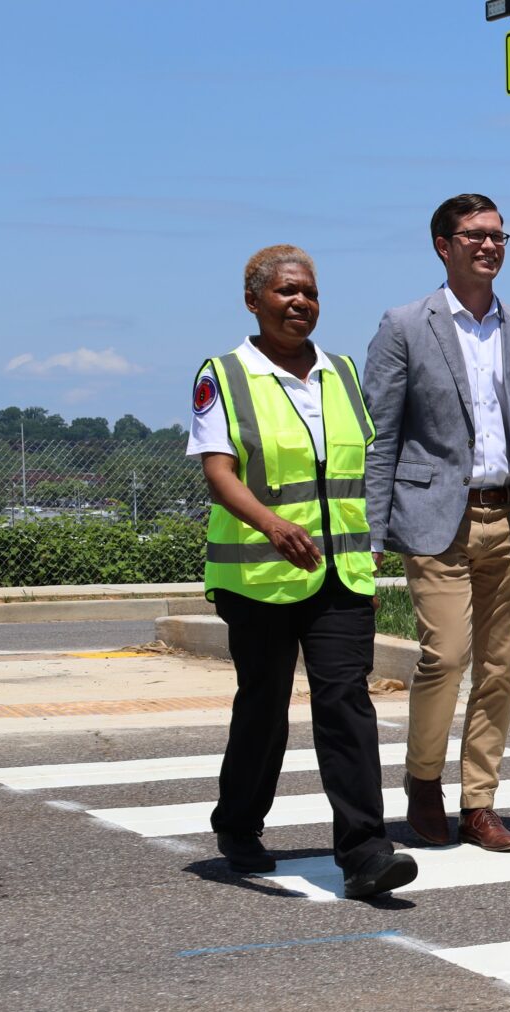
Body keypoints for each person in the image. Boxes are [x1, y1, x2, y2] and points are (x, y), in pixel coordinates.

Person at [363, 193, 510, 853]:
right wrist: (370, 531)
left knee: (498, 667)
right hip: (435, 516)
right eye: (476, 236)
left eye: (499, 236)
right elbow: (380, 435)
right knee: (446, 656)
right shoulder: (406, 325)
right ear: (443, 244)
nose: (490, 246)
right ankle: (420, 780)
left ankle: (479, 801)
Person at [190, 245, 417, 901]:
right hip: (259, 575)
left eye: (310, 293)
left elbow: (364, 470)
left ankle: (367, 851)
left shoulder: (341, 373)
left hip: (340, 575)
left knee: (346, 703)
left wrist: (371, 547)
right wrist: (271, 524)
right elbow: (218, 471)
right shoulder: (225, 375)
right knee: (263, 707)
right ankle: (238, 823)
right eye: (287, 292)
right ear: (254, 300)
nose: (300, 303)